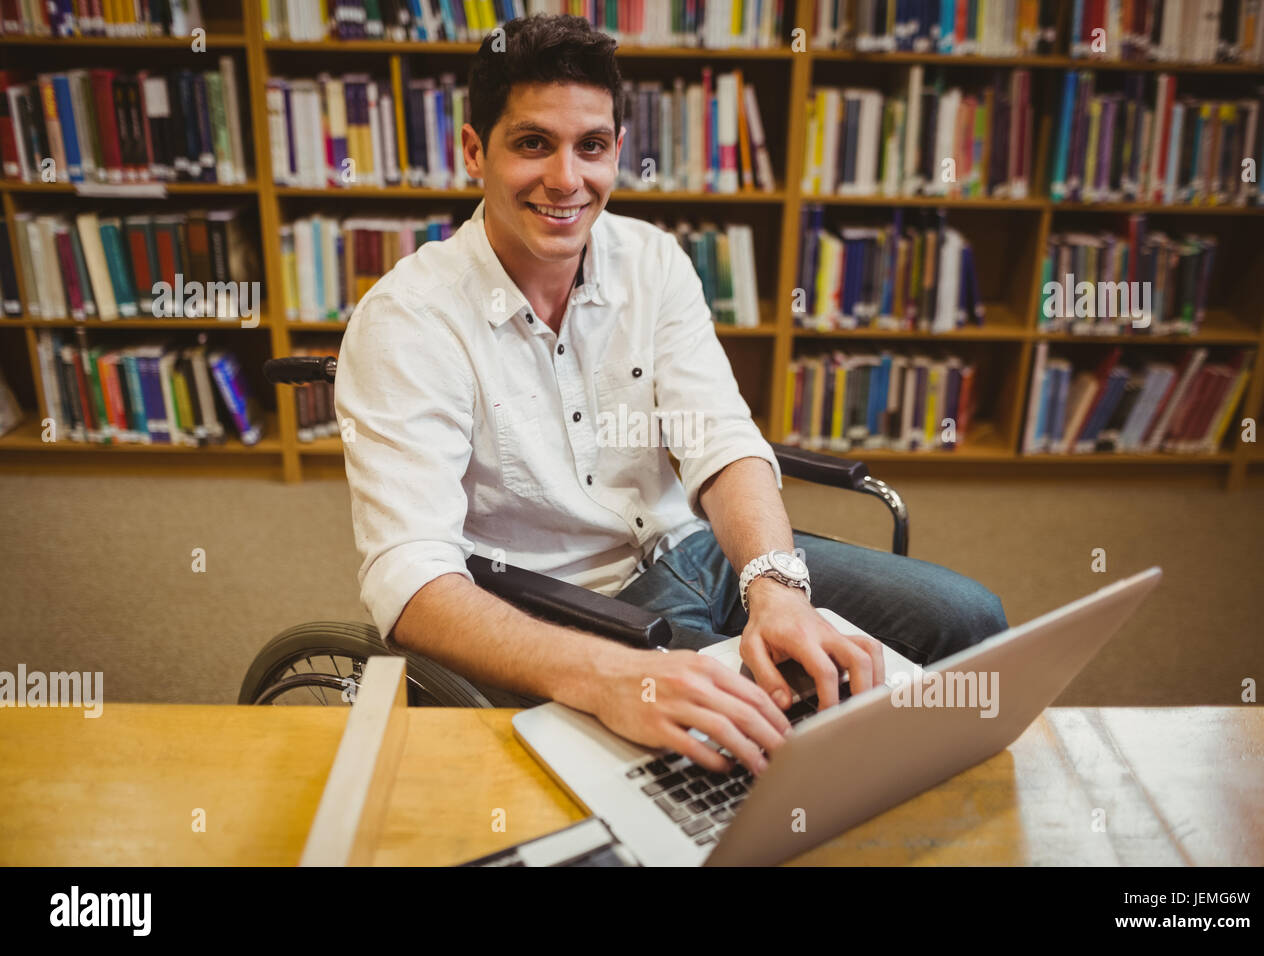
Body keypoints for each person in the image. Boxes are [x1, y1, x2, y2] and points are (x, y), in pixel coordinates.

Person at [335, 13, 1007, 778]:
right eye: (532, 144)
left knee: (970, 624)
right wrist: (606, 676)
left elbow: (718, 437)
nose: (566, 179)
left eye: (590, 145)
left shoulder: (651, 260)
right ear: (473, 152)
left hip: (694, 546)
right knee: (767, 732)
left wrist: (777, 589)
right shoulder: (405, 323)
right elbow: (410, 582)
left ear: (616, 149)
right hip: (565, 604)